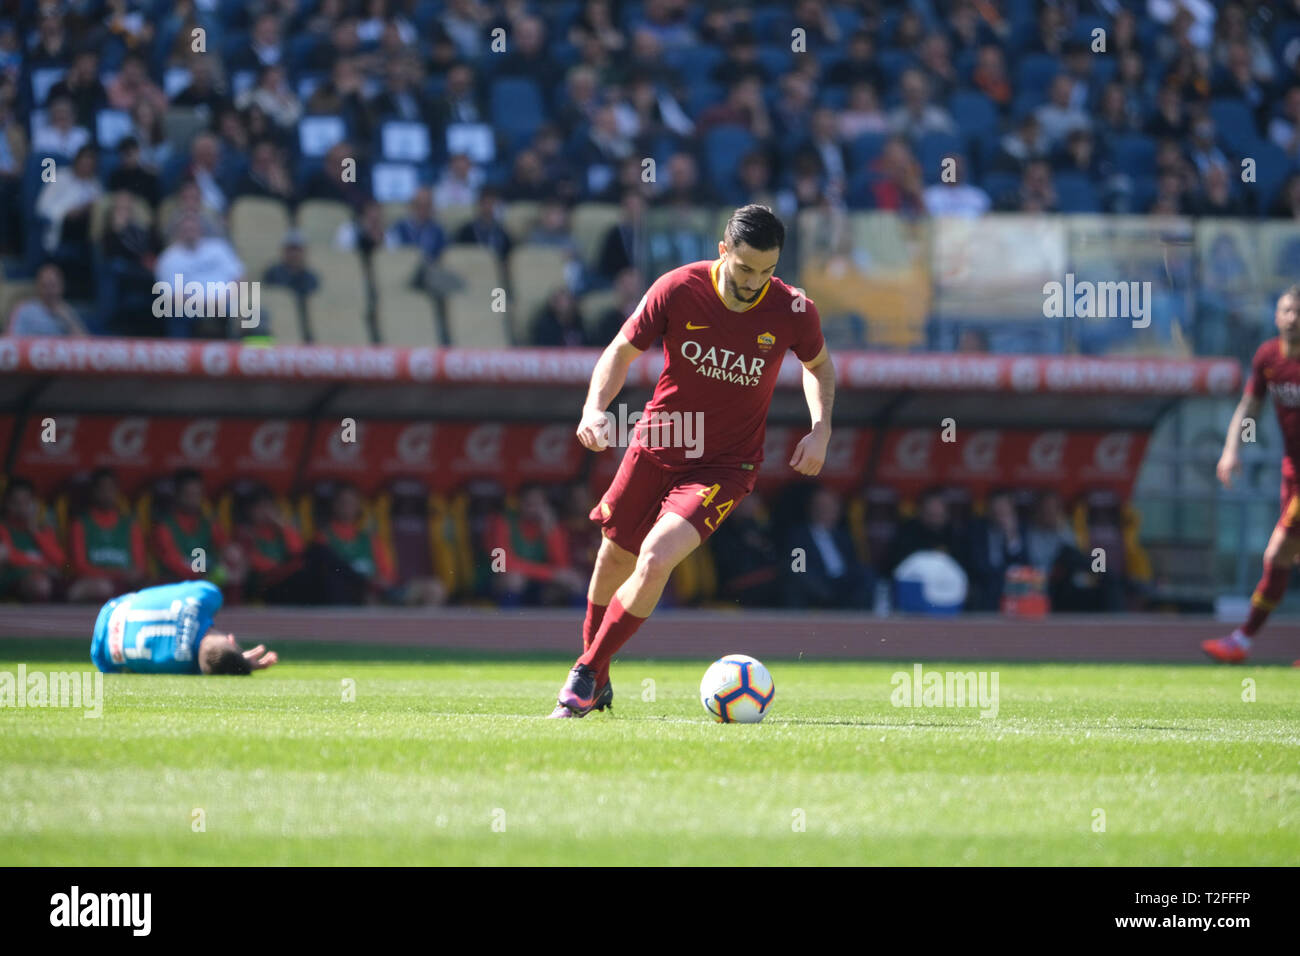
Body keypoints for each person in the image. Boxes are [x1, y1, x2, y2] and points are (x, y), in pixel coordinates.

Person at [551, 204, 832, 717]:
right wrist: (594, 408)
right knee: (615, 555)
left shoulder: (793, 309)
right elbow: (620, 349)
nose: (755, 283)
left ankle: (586, 672)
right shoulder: (679, 288)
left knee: (656, 558)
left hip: (725, 466)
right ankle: (599, 673)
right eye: (746, 269)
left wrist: (821, 428)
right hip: (659, 442)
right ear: (723, 251)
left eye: (767, 272)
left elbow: (818, 366)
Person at [1206, 286, 1300, 666]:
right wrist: (1233, 450)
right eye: (1286, 310)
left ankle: (1242, 639)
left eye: (1298, 311)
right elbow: (1250, 407)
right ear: (1276, 316)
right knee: (1288, 558)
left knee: (1277, 552)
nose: (1292, 317)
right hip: (1291, 473)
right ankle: (1241, 640)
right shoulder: (1268, 357)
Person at [90, 580, 277, 675]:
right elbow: (211, 665)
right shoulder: (185, 666)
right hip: (103, 656)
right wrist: (235, 663)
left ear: (231, 638)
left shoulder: (207, 596)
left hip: (113, 609)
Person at [780, 487, 872, 609]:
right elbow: (798, 566)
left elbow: (853, 563)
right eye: (821, 507)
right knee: (798, 576)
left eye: (831, 507)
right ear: (811, 509)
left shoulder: (843, 536)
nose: (826, 511)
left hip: (842, 581)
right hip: (817, 582)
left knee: (867, 574)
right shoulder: (799, 535)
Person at [67, 468, 148, 603]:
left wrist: (130, 575)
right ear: (94, 492)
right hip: (94, 584)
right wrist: (116, 575)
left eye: (111, 489)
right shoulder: (81, 523)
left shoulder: (130, 524)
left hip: (126, 587)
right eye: (102, 489)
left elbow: (140, 566)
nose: (107, 494)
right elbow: (79, 566)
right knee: (101, 587)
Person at [0, 477, 66, 602]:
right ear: (7, 503)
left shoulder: (43, 529)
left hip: (46, 581)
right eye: (16, 502)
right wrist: (41, 565)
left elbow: (60, 560)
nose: (21, 506)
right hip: (15, 580)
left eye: (26, 501)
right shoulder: (3, 528)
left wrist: (34, 530)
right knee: (39, 584)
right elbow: (8, 556)